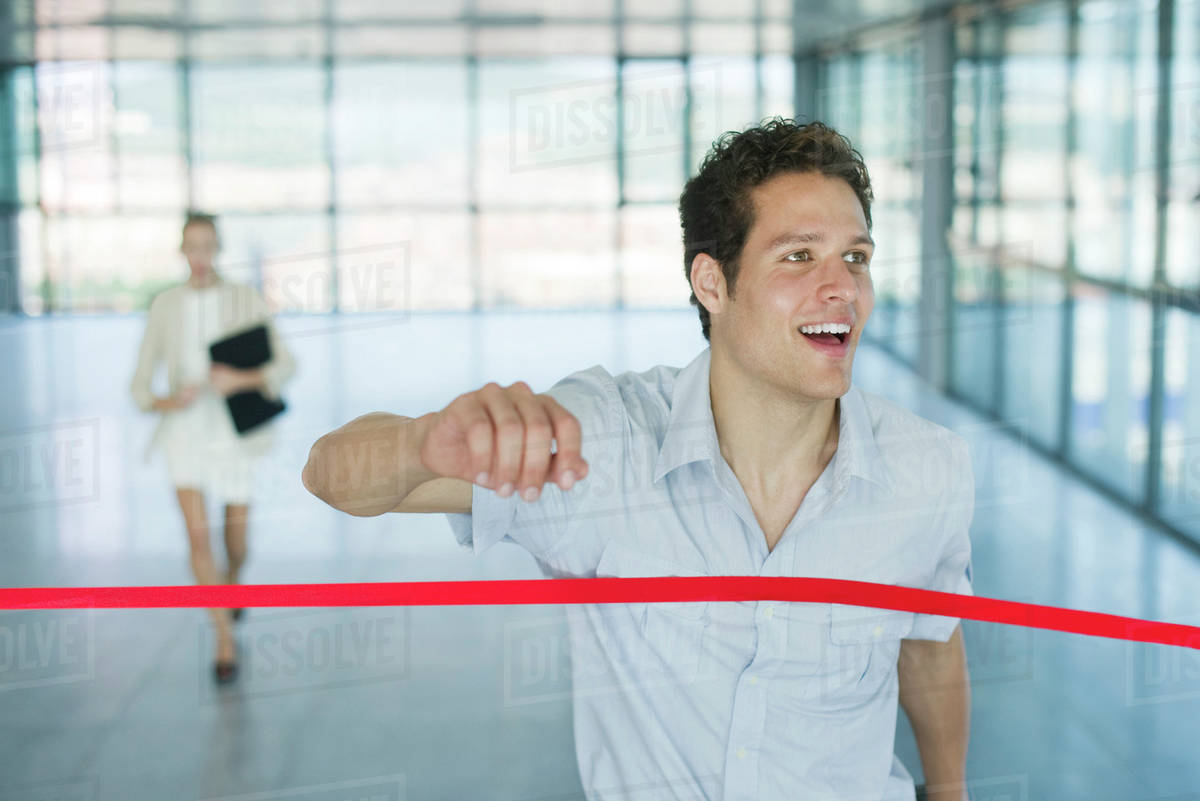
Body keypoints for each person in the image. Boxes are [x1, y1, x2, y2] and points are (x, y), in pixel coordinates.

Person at [302, 119, 974, 801]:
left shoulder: (928, 469)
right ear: (712, 283)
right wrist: (422, 444)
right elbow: (330, 474)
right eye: (799, 256)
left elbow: (929, 638)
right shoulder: (603, 444)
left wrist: (949, 790)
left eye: (855, 258)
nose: (843, 289)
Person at [131, 212, 296, 685]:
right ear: (182, 250)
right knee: (198, 539)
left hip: (233, 433)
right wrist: (167, 399)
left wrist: (238, 379)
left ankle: (231, 585)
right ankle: (223, 638)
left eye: (208, 246)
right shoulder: (164, 306)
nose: (200, 256)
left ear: (218, 249)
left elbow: (285, 364)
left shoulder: (244, 299)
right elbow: (140, 385)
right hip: (183, 431)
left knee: (236, 542)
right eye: (192, 246)